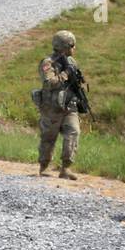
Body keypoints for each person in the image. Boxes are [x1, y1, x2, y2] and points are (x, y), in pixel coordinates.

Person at [35, 30, 83, 180]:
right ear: (65, 46)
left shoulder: (71, 62)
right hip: (52, 107)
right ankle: (45, 167)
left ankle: (66, 168)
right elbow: (49, 83)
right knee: (49, 137)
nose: (74, 49)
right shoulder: (48, 63)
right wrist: (65, 74)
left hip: (69, 107)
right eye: (72, 45)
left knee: (73, 132)